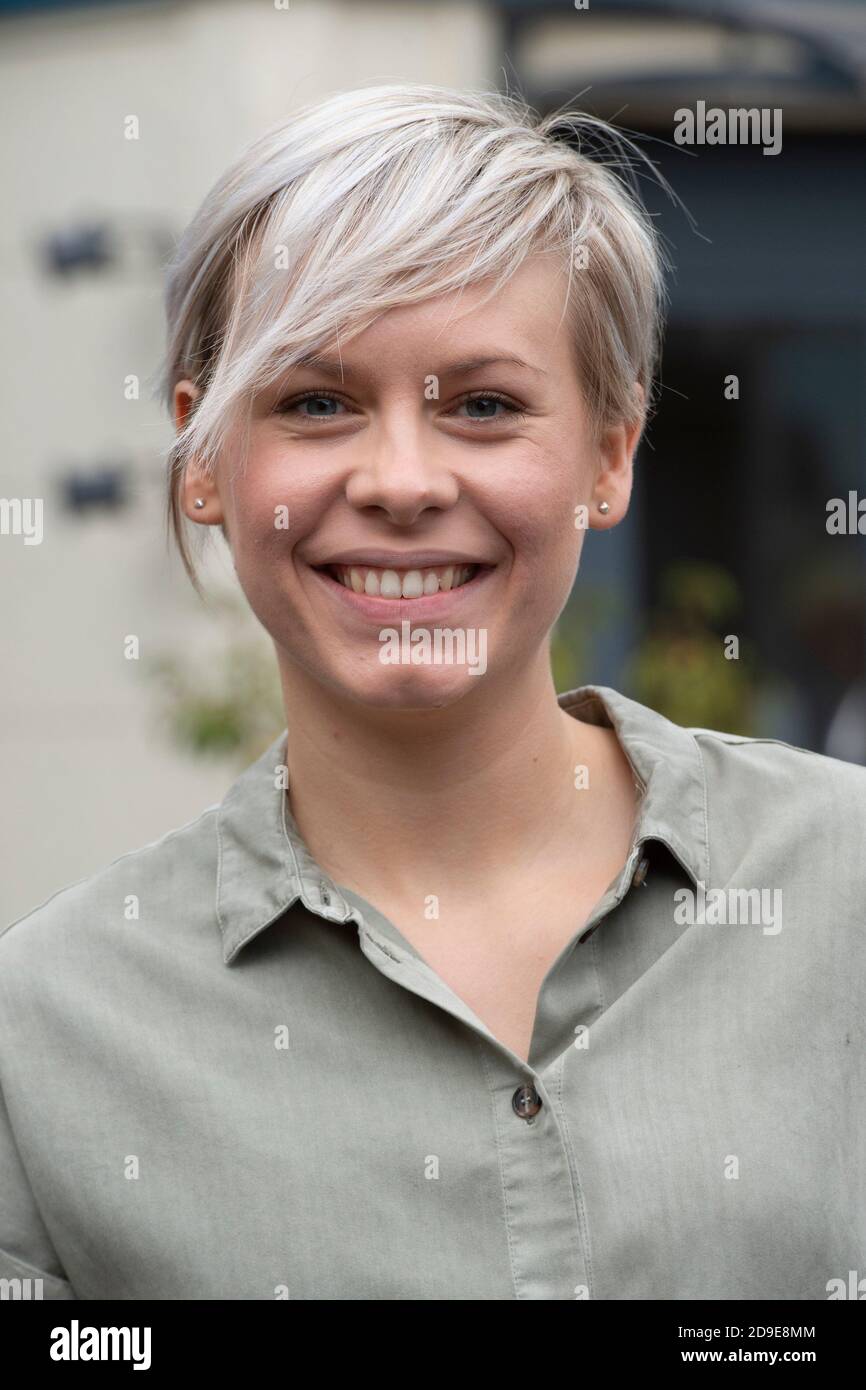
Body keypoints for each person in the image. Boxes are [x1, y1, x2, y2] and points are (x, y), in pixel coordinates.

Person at [1, 83, 863, 1302]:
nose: (401, 480)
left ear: (608, 453)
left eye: (483, 406)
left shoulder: (843, 891)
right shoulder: (42, 1039)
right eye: (316, 401)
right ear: (203, 459)